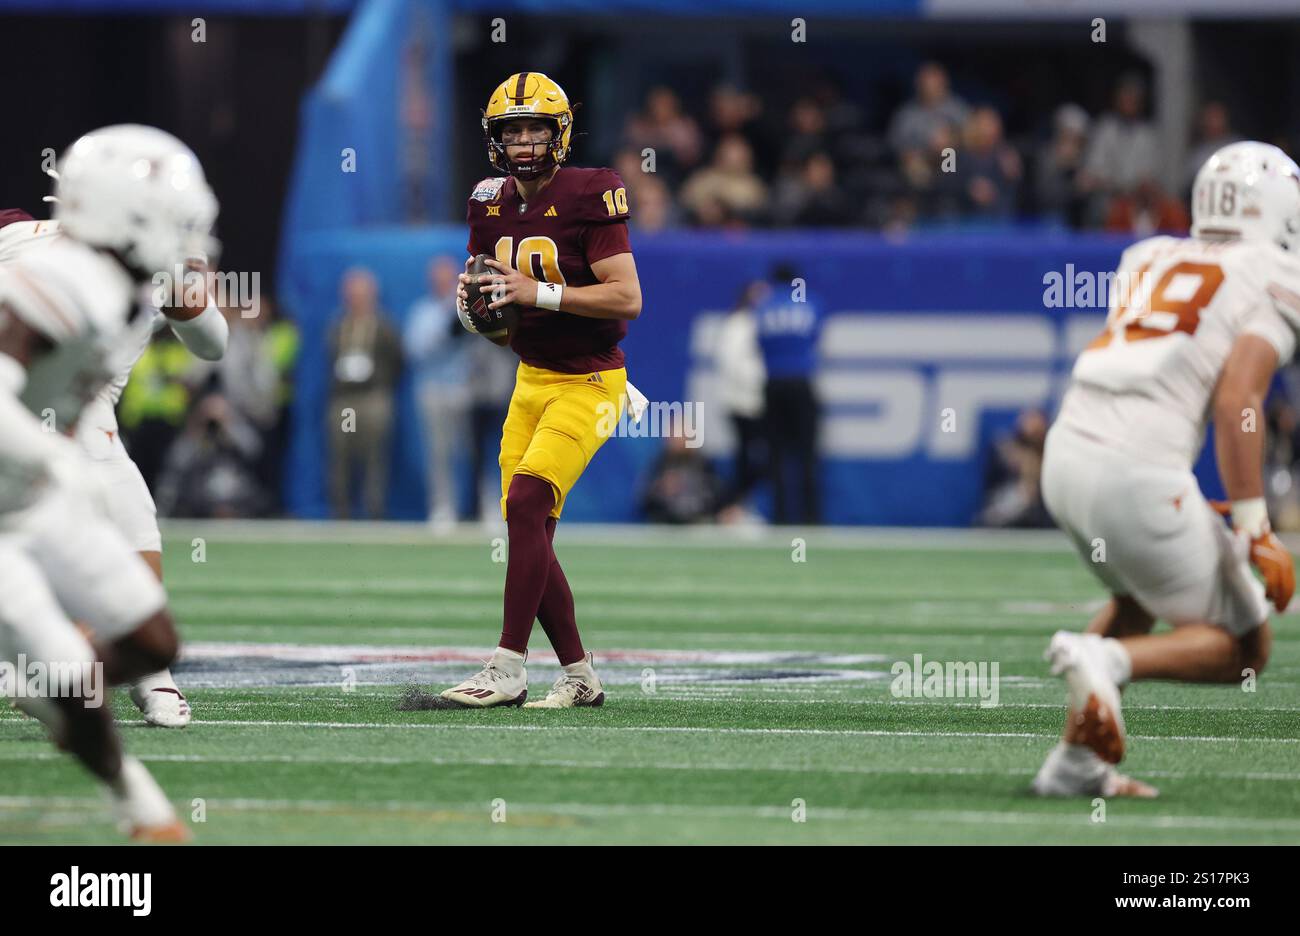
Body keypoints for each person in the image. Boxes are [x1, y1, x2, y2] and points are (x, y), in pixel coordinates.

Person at [1032, 141, 1300, 798]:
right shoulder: (1274, 274)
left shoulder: (1147, 254)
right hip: (1134, 472)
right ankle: (1103, 658)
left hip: (1066, 459)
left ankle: (1074, 766)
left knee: (1137, 594)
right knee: (1246, 648)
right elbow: (1238, 398)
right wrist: (1254, 525)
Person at [0, 124, 219, 840]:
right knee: (70, 669)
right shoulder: (57, 281)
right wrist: (59, 460)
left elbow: (208, 336)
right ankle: (146, 813)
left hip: (31, 492)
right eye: (177, 221)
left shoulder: (127, 285)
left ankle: (55, 691)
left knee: (153, 643)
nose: (190, 238)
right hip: (17, 492)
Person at [435, 72, 643, 709]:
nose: (524, 141)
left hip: (591, 381)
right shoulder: (488, 200)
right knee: (530, 526)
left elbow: (628, 298)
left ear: (560, 133)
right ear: (495, 138)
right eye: (512, 129)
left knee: (526, 504)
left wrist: (539, 292)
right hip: (531, 380)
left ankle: (507, 666)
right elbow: (497, 324)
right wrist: (480, 313)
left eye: (536, 128)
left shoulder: (593, 190)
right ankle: (580, 677)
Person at [327, 267, 402, 519]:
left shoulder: (384, 326)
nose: (355, 298)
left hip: (373, 398)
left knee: (375, 456)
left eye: (360, 293)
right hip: (346, 400)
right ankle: (342, 511)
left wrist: (381, 381)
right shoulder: (339, 326)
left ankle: (374, 511)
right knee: (341, 455)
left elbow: (397, 360)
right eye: (351, 293)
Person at [403, 255, 470, 530]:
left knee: (470, 452)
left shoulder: (467, 309)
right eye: (437, 278)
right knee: (438, 452)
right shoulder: (422, 311)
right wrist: (446, 333)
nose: (441, 283)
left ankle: (479, 506)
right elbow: (414, 349)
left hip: (464, 389)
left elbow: (482, 350)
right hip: (432, 389)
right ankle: (443, 507)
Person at [756, 263, 823, 524]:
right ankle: (811, 517)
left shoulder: (764, 306)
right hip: (801, 382)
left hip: (774, 383)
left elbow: (759, 343)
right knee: (807, 454)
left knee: (776, 454)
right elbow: (815, 338)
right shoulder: (811, 303)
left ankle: (781, 517)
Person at [715, 283, 766, 519]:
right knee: (747, 460)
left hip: (758, 403)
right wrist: (757, 390)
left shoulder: (761, 323)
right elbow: (733, 365)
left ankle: (737, 507)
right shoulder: (738, 325)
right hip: (743, 404)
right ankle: (732, 509)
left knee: (761, 460)